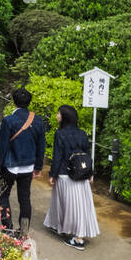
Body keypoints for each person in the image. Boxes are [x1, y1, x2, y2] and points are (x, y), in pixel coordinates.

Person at [45, 106, 100, 249]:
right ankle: (58, 225)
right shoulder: (82, 133)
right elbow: (87, 155)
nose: (57, 116)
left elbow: (57, 157)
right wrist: (90, 173)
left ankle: (78, 239)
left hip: (65, 174)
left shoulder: (60, 134)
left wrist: (52, 174)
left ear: (65, 117)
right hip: (81, 175)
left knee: (70, 205)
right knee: (72, 204)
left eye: (59, 113)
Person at [0, 88, 47, 238]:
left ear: (14, 101)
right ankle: (23, 231)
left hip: (10, 166)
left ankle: (7, 228)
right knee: (24, 198)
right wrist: (38, 167)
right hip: (28, 167)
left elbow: (2, 145)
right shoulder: (37, 120)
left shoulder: (9, 120)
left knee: (3, 195)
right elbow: (40, 145)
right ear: (29, 102)